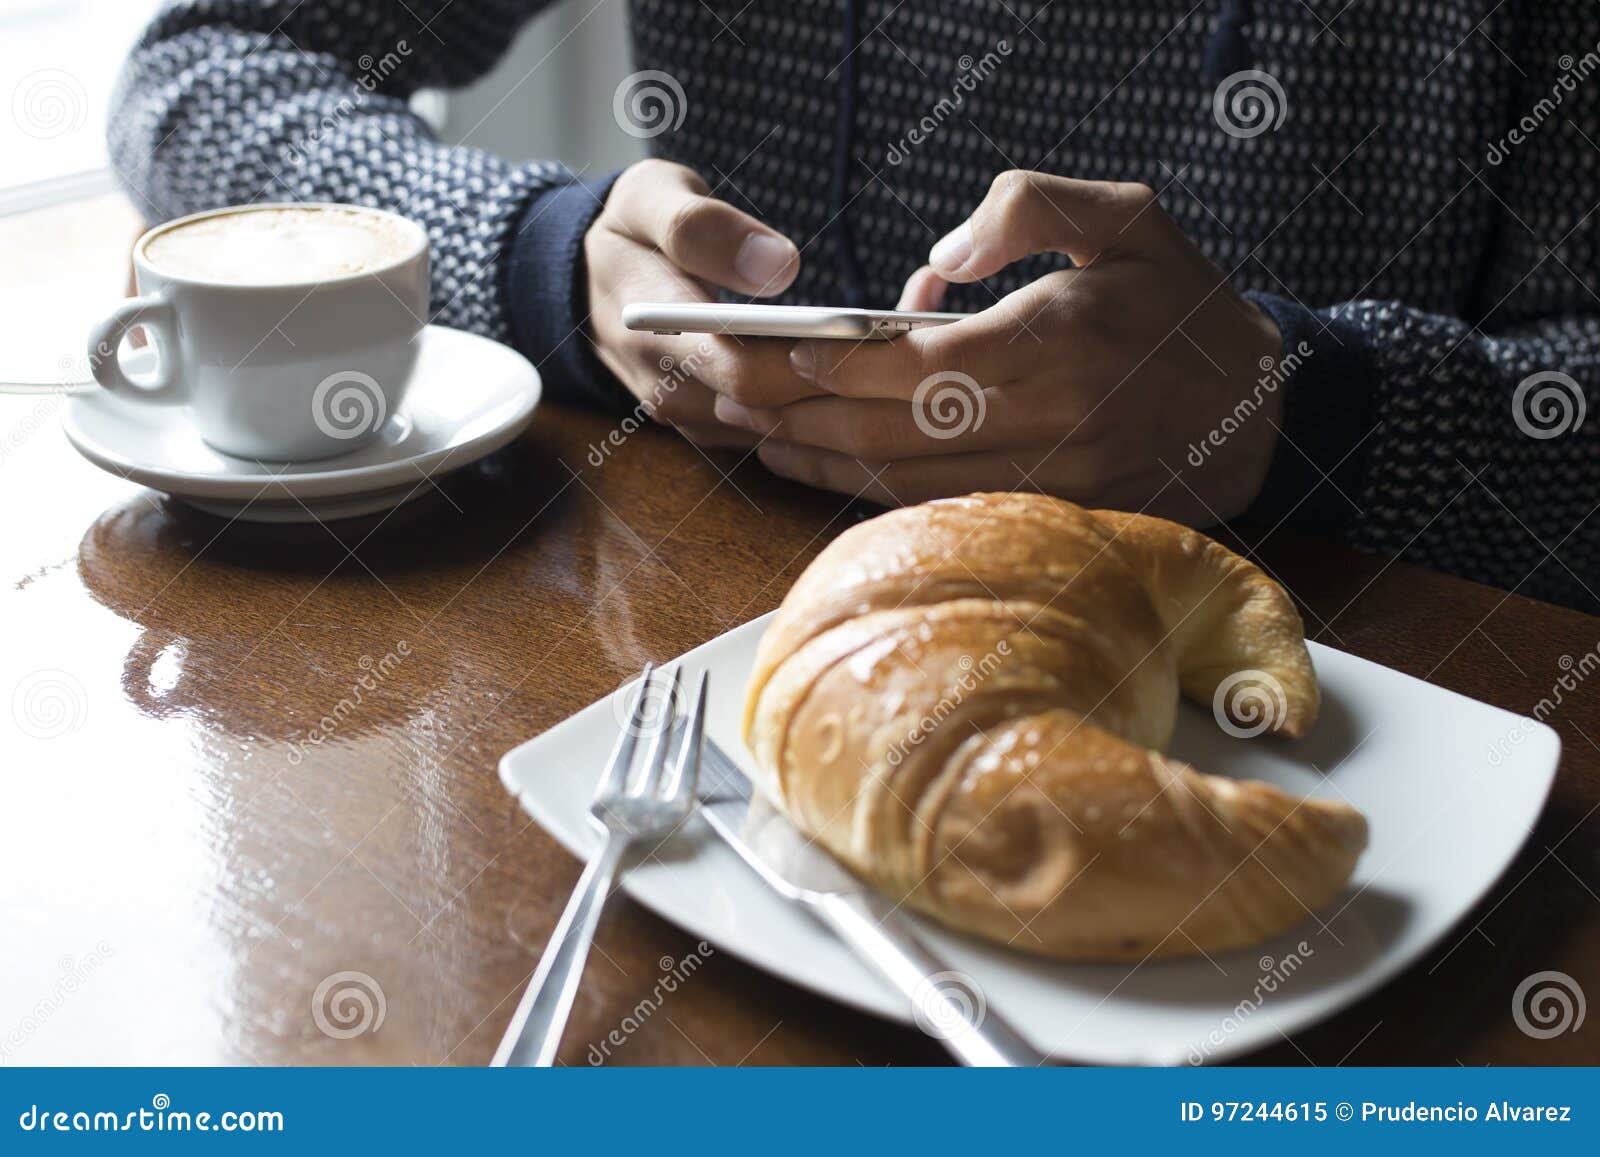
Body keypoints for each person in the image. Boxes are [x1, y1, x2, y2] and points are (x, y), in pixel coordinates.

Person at [111, 1, 1599, 610]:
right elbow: (203, 65)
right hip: (708, 678)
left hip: (1325, 700)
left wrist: (1303, 409)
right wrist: (543, 257)